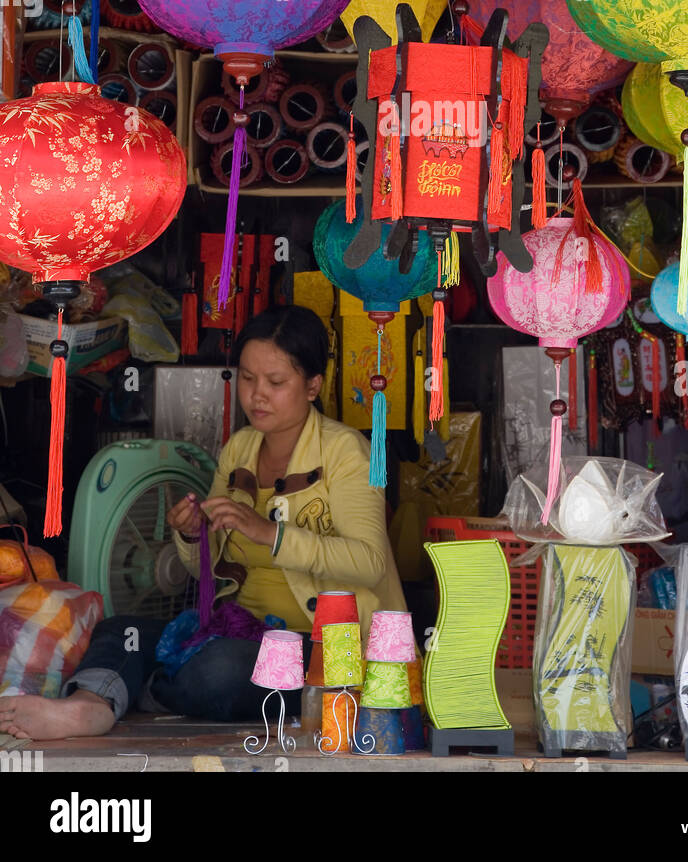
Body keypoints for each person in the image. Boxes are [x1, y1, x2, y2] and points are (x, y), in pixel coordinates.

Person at [0, 305, 406, 740]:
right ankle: (90, 707)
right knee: (123, 629)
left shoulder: (346, 452)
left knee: (219, 670)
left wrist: (269, 533)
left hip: (320, 649)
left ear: (312, 386)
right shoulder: (240, 450)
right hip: (240, 631)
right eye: (247, 378)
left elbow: (369, 562)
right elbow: (204, 571)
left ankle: (137, 689)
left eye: (276, 382)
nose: (257, 395)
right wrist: (192, 534)